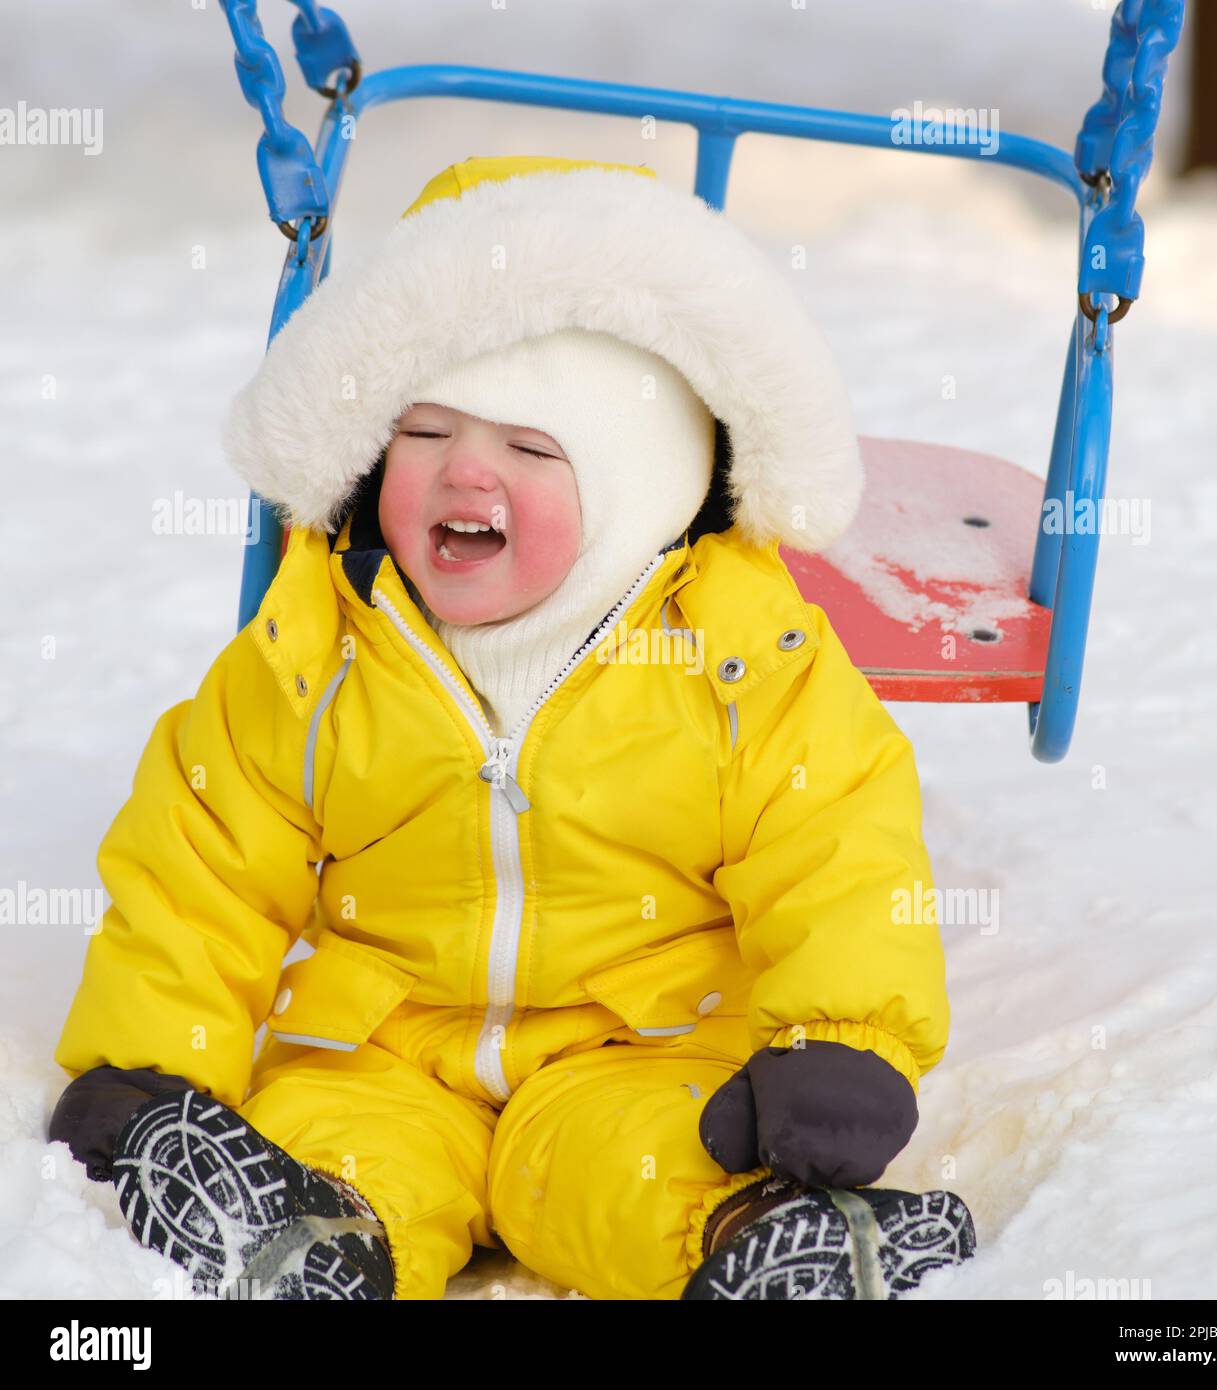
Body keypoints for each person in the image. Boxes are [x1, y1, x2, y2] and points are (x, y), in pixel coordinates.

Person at [48, 155, 975, 1300]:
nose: (462, 473)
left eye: (532, 448)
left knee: (636, 1169)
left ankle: (766, 1237)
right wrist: (146, 1063)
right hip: (384, 1045)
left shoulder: (741, 663)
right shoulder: (314, 655)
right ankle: (310, 1233)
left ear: (643, 484)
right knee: (334, 1139)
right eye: (426, 432)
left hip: (641, 1040)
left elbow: (837, 851)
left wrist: (842, 1039)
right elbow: (202, 873)